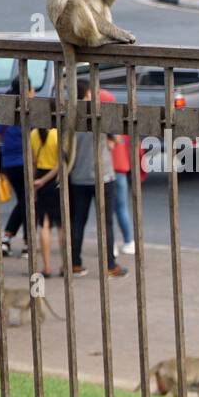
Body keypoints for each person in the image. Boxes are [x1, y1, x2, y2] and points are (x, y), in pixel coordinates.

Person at [67, 80, 127, 279]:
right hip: (103, 176)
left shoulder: (70, 115)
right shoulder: (98, 113)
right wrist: (108, 141)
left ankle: (75, 264)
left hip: (78, 176)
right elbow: (117, 140)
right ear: (87, 95)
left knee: (78, 221)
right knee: (106, 223)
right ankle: (110, 265)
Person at [0, 74, 31, 258]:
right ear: (27, 90)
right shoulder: (29, 108)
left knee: (23, 200)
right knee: (28, 202)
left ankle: (6, 239)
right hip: (25, 162)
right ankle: (27, 243)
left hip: (8, 163)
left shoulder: (4, 105)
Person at [27, 110, 62, 278]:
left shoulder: (33, 134)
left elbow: (33, 162)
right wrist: (45, 180)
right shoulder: (57, 135)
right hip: (54, 181)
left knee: (44, 225)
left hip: (39, 177)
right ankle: (65, 265)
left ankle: (46, 267)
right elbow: (59, 165)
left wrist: (36, 182)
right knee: (61, 225)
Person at [109, 121, 136, 254]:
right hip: (121, 171)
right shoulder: (122, 125)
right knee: (122, 208)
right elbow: (134, 148)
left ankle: (111, 245)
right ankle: (128, 241)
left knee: (105, 211)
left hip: (105, 172)